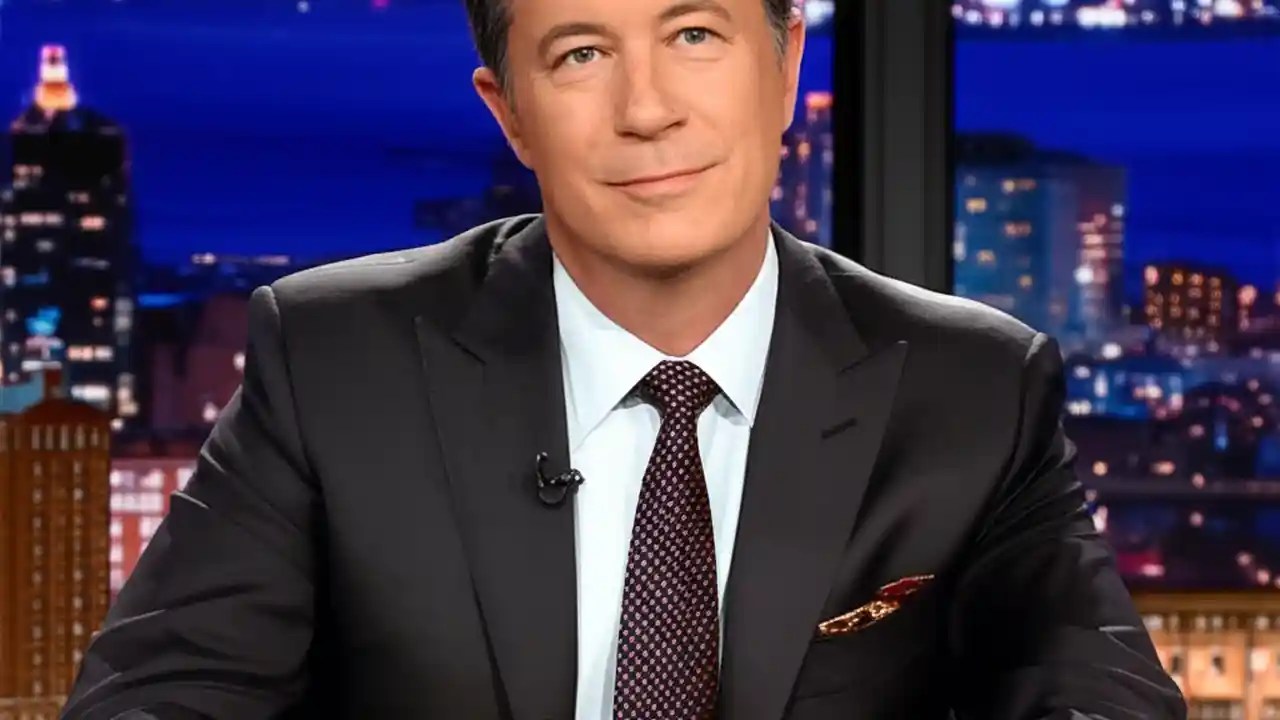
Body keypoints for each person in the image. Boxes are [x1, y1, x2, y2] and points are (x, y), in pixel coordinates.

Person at [61, 0, 1187, 717]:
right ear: (509, 115)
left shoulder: (972, 387)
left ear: (784, 63)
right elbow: (164, 696)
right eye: (581, 52)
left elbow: (1092, 689)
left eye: (692, 34)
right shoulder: (333, 359)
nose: (645, 110)